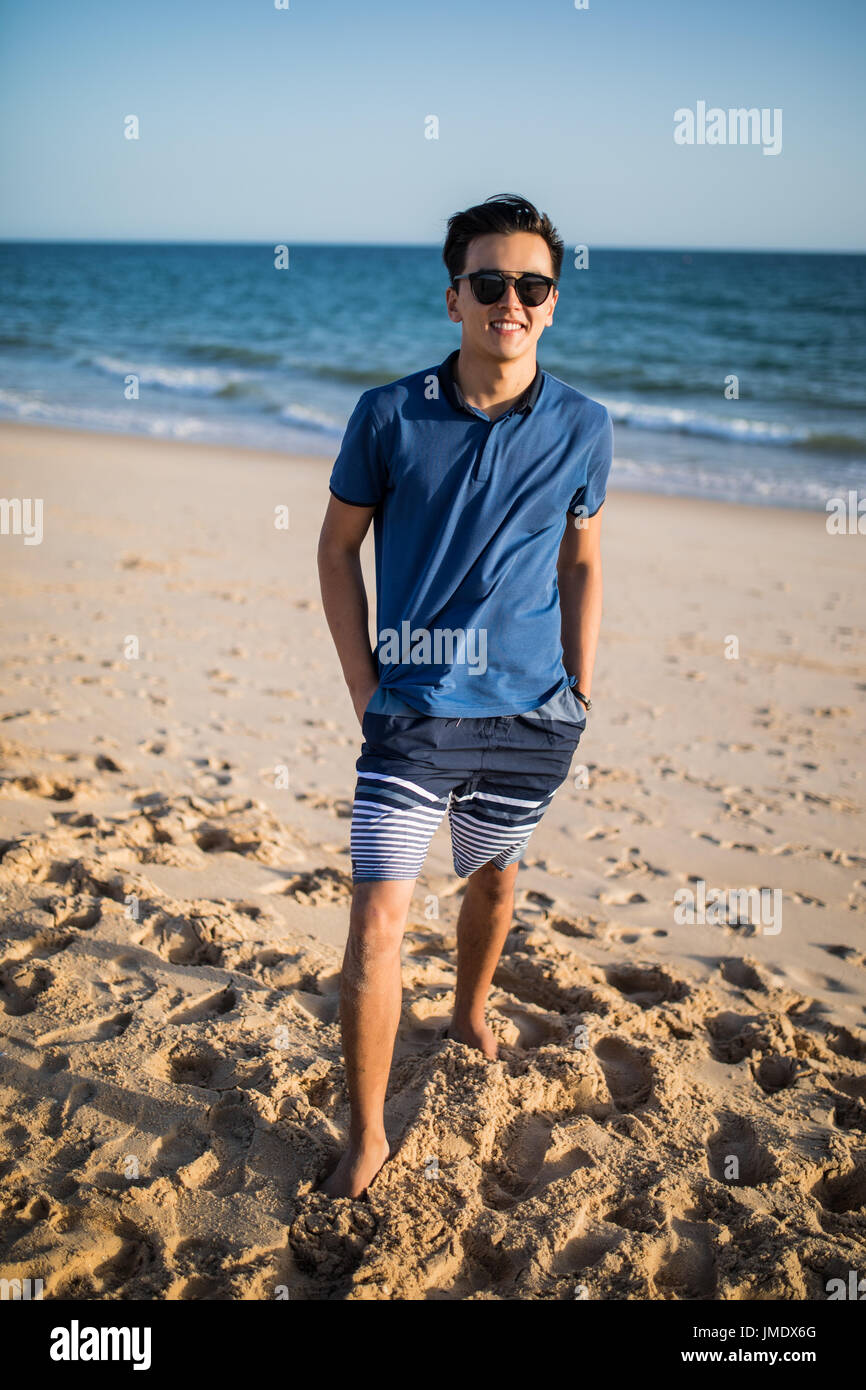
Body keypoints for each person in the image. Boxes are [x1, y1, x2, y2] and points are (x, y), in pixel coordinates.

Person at [316, 193, 613, 1198]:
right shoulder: (389, 414)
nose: (509, 301)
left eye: (529, 285)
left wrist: (578, 678)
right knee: (374, 926)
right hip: (409, 717)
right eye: (488, 283)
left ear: (551, 301)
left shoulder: (583, 424)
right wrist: (366, 685)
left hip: (531, 718)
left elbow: (581, 558)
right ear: (454, 298)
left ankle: (468, 1009)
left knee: (492, 880)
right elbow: (335, 549)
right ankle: (364, 1135)